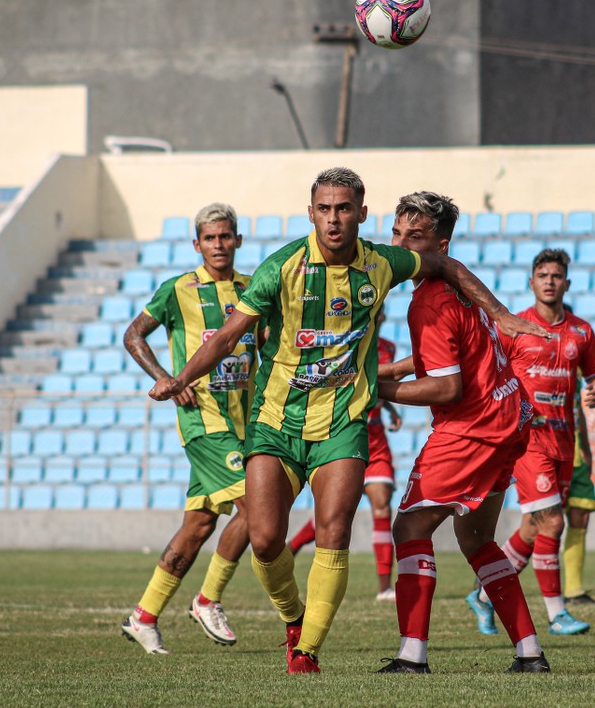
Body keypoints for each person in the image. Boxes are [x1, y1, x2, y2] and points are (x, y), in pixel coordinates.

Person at [148, 168, 546, 674]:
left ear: (361, 212)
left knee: (366, 530)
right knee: (268, 538)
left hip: (377, 426)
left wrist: (500, 313)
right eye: (324, 208)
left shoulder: (400, 277)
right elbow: (226, 338)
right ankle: (297, 617)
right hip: (283, 421)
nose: (334, 219)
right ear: (311, 212)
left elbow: (445, 303)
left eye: (344, 209)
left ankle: (327, 652)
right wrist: (179, 378)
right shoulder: (284, 267)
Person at [375, 191, 549, 675]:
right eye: (397, 233)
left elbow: (447, 385)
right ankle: (529, 652)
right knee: (476, 540)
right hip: (509, 418)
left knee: (409, 527)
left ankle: (412, 656)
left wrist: (376, 389)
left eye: (417, 237)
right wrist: (388, 371)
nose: (402, 245)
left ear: (441, 245)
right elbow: (444, 358)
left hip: (471, 429)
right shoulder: (459, 288)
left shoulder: (429, 300)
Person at [119, 203, 257, 654]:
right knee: (257, 509)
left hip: (246, 422)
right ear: (197, 245)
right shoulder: (178, 290)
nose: (219, 245)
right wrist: (164, 377)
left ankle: (144, 616)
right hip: (204, 420)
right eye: (210, 238)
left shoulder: (252, 289)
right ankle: (208, 598)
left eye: (226, 236)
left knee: (198, 526)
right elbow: (133, 334)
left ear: (237, 240)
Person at [465, 250, 595, 637]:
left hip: (565, 440)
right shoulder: (514, 328)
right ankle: (557, 613)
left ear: (567, 284)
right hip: (527, 440)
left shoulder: (582, 331)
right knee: (553, 521)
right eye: (542, 275)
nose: (549, 281)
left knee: (533, 527)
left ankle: (483, 594)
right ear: (531, 282)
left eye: (556, 275)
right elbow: (489, 372)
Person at [287, 306, 402, 601]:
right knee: (334, 513)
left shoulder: (388, 347)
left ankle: (384, 587)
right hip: (343, 435)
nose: (375, 319)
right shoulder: (343, 345)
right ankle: (293, 546)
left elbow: (378, 385)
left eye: (379, 315)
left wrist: (388, 408)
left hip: (375, 440)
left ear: (383, 318)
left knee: (381, 504)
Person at [562, 394, 595, 607]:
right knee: (539, 524)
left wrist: (586, 448)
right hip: (547, 452)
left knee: (581, 516)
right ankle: (490, 582)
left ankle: (574, 590)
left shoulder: (574, 367)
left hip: (575, 455)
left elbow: (577, 411)